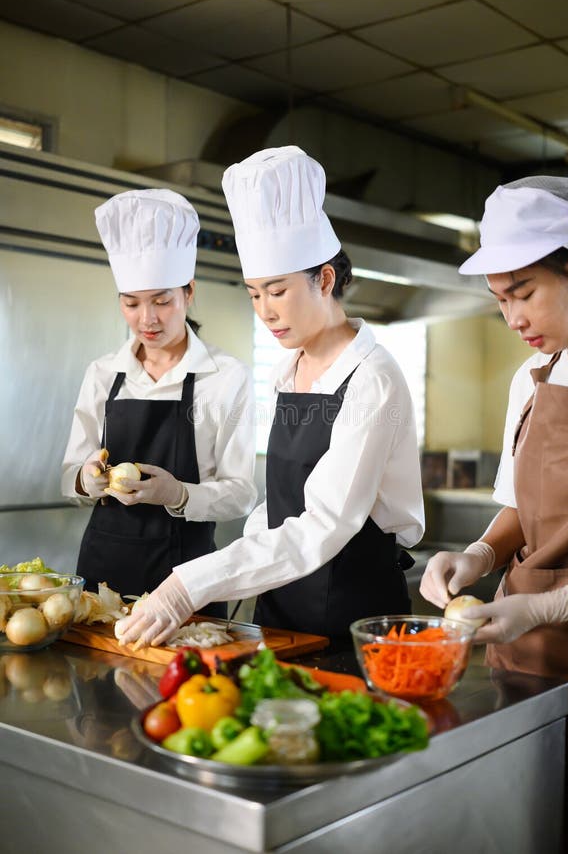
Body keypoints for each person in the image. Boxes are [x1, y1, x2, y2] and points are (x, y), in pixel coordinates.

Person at [115, 146, 424, 650]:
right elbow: (277, 506)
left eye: (277, 291)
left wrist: (192, 583)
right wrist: (235, 578)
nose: (265, 311)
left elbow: (325, 524)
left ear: (324, 279)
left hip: (352, 609)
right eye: (254, 293)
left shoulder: (373, 378)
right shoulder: (288, 370)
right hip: (282, 601)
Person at [419, 176, 568, 851]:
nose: (513, 319)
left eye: (523, 293)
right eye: (499, 301)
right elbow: (520, 507)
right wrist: (478, 556)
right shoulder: (530, 379)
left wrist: (550, 606)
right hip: (518, 653)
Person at [62, 188, 257, 615]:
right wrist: (85, 480)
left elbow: (242, 493)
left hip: (187, 577)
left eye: (162, 301)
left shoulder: (225, 377)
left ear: (189, 292)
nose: (146, 319)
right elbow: (69, 475)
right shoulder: (103, 373)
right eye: (131, 303)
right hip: (103, 576)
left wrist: (179, 494)